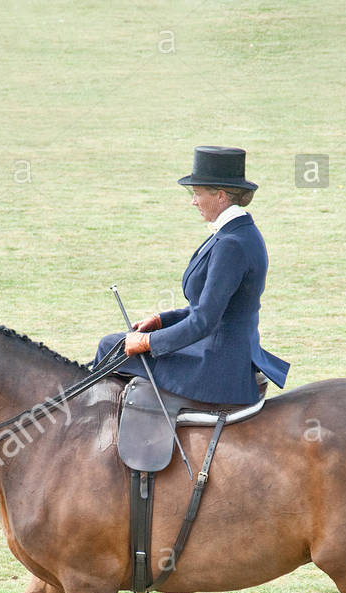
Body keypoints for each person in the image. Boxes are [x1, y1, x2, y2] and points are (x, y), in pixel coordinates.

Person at [95, 146, 290, 406]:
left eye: (197, 194)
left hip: (217, 363)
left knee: (111, 347)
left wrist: (148, 342)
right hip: (221, 348)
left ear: (220, 196)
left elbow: (204, 321)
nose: (193, 201)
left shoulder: (231, 244)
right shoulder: (237, 232)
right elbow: (212, 307)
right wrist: (161, 320)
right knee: (115, 344)